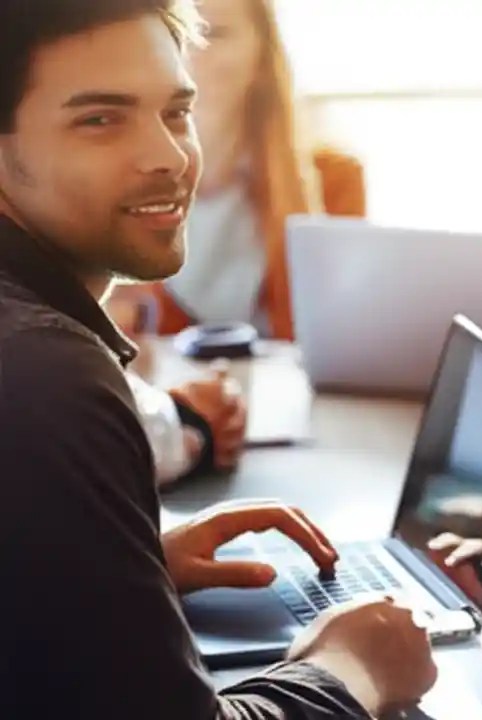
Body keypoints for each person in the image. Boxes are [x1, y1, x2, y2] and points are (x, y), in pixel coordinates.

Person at [0, 2, 434, 716]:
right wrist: (351, 667)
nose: (168, 156)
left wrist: (124, 567)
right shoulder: (46, 372)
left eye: (175, 112)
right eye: (100, 119)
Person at [120, 0, 365, 341]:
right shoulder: (117, 183)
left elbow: (341, 334)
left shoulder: (335, 179)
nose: (191, 51)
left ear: (262, 53)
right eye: (175, 32)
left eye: (213, 32)